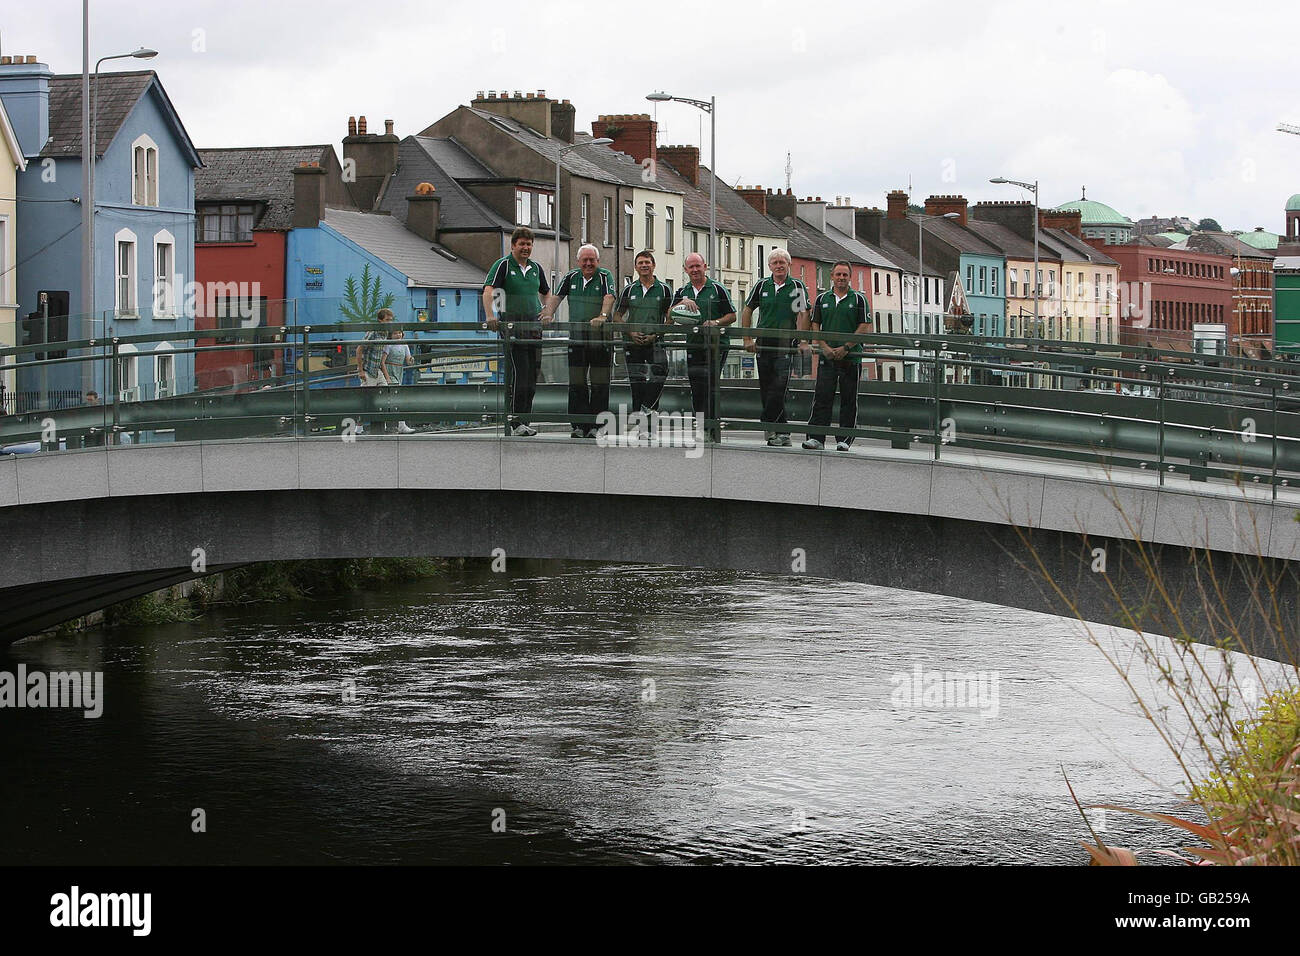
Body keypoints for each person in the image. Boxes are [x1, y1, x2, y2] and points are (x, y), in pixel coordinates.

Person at [543, 244, 615, 438]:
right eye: (585, 260)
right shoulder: (571, 276)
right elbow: (557, 296)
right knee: (577, 383)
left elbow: (610, 296)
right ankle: (579, 425)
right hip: (577, 337)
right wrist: (548, 314)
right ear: (578, 262)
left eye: (592, 260)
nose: (588, 263)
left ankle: (598, 426)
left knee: (600, 383)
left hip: (600, 338)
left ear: (598, 261)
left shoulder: (605, 276)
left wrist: (602, 316)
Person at [741, 248, 810, 446]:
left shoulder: (796, 286)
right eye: (775, 263)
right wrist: (747, 339)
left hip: (786, 344)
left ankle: (771, 423)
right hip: (764, 342)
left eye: (782, 262)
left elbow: (803, 313)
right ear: (769, 266)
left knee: (780, 387)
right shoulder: (762, 285)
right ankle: (777, 433)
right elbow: (747, 310)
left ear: (789, 265)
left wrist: (803, 341)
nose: (779, 266)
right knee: (766, 386)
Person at [803, 261, 871, 451]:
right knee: (822, 397)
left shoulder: (858, 299)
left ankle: (844, 439)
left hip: (851, 358)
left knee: (849, 399)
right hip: (828, 357)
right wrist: (823, 346)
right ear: (831, 276)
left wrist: (846, 347)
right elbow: (815, 324)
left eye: (845, 275)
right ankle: (816, 438)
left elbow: (864, 326)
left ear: (850, 277)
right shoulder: (822, 298)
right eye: (838, 274)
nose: (841, 278)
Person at [670, 252, 736, 441]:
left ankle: (712, 428)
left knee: (711, 386)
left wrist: (715, 322)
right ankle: (702, 428)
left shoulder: (718, 289)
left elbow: (732, 315)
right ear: (685, 270)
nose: (695, 270)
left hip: (717, 346)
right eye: (691, 267)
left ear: (705, 266)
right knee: (696, 388)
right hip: (694, 346)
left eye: (698, 266)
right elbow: (669, 315)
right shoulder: (683, 292)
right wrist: (681, 303)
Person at [614, 250, 673, 436]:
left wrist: (656, 334)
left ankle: (648, 411)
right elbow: (616, 315)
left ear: (653, 265)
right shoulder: (629, 289)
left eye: (647, 262)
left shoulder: (664, 289)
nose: (644, 265)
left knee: (661, 372)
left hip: (655, 342)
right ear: (636, 267)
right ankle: (641, 428)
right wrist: (630, 332)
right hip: (633, 343)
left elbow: (670, 317)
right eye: (640, 263)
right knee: (636, 384)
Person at [353, 307, 394, 434]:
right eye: (387, 320)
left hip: (377, 369)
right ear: (380, 320)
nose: (389, 323)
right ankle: (358, 427)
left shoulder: (386, 333)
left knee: (386, 394)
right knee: (366, 399)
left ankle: (383, 425)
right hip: (368, 369)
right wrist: (360, 370)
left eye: (391, 320)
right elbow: (359, 349)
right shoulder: (373, 332)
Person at [384, 328, 417, 434]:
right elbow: (382, 361)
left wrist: (412, 360)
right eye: (395, 333)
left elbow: (408, 361)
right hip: (390, 371)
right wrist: (387, 377)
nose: (398, 335)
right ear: (391, 335)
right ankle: (401, 425)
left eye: (399, 333)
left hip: (399, 371)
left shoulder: (404, 345)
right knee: (395, 397)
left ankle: (396, 425)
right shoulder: (388, 344)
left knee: (392, 398)